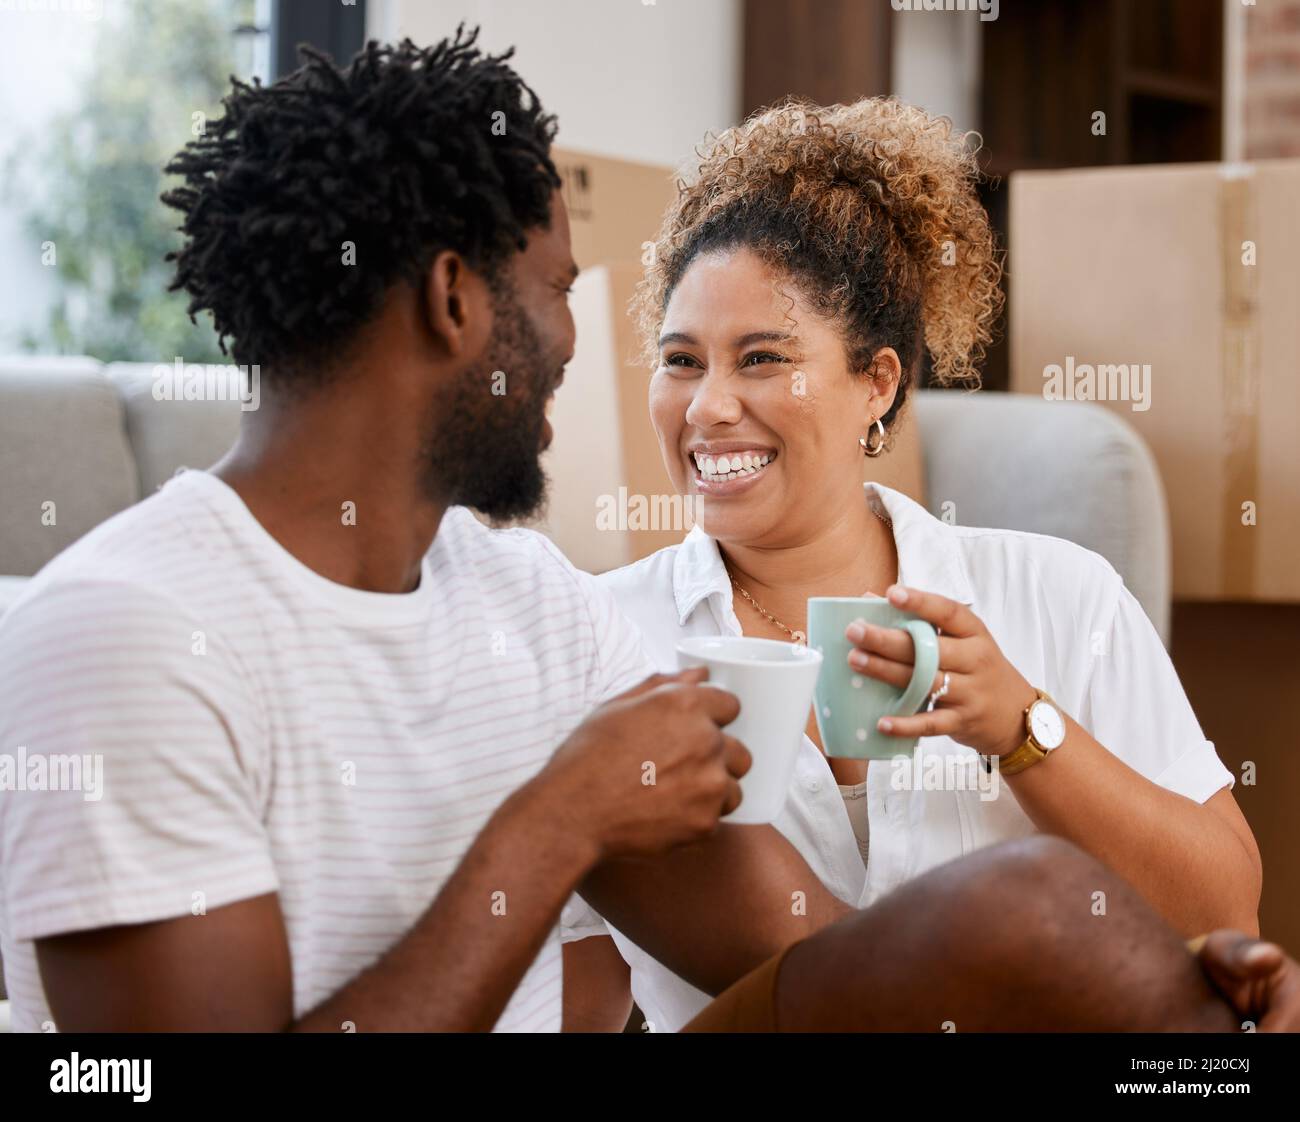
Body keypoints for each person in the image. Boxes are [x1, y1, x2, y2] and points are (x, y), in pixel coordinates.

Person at [0, 32, 1290, 1034]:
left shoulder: (526, 601)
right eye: (559, 290)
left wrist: (1123, 986)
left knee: (1042, 917)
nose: (576, 347)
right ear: (454, 299)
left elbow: (819, 959)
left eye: (757, 356)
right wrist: (553, 827)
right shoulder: (126, 636)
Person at [561, 97, 1266, 1032]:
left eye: (762, 359)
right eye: (681, 360)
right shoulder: (600, 640)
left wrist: (1022, 727)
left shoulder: (1058, 595)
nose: (708, 407)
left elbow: (1225, 909)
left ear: (878, 383)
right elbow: (576, 1002)